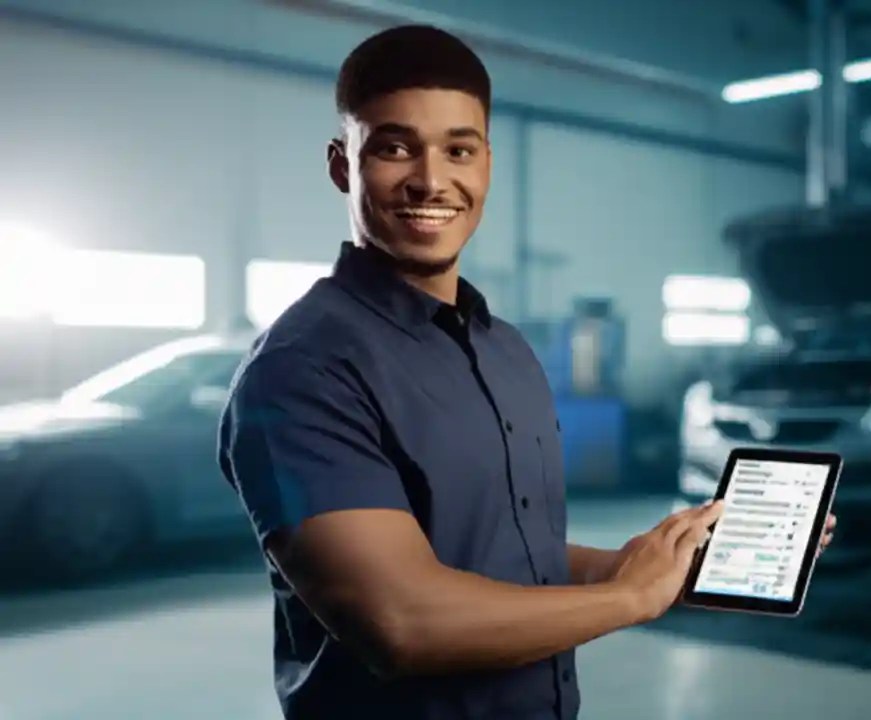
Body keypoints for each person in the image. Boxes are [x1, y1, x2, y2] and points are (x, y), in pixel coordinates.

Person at [217, 24, 836, 720]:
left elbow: (500, 552)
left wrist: (646, 566)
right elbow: (400, 621)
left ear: (486, 163)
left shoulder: (502, 349)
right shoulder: (303, 370)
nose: (431, 180)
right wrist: (629, 599)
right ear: (342, 165)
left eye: (459, 149)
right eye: (394, 148)